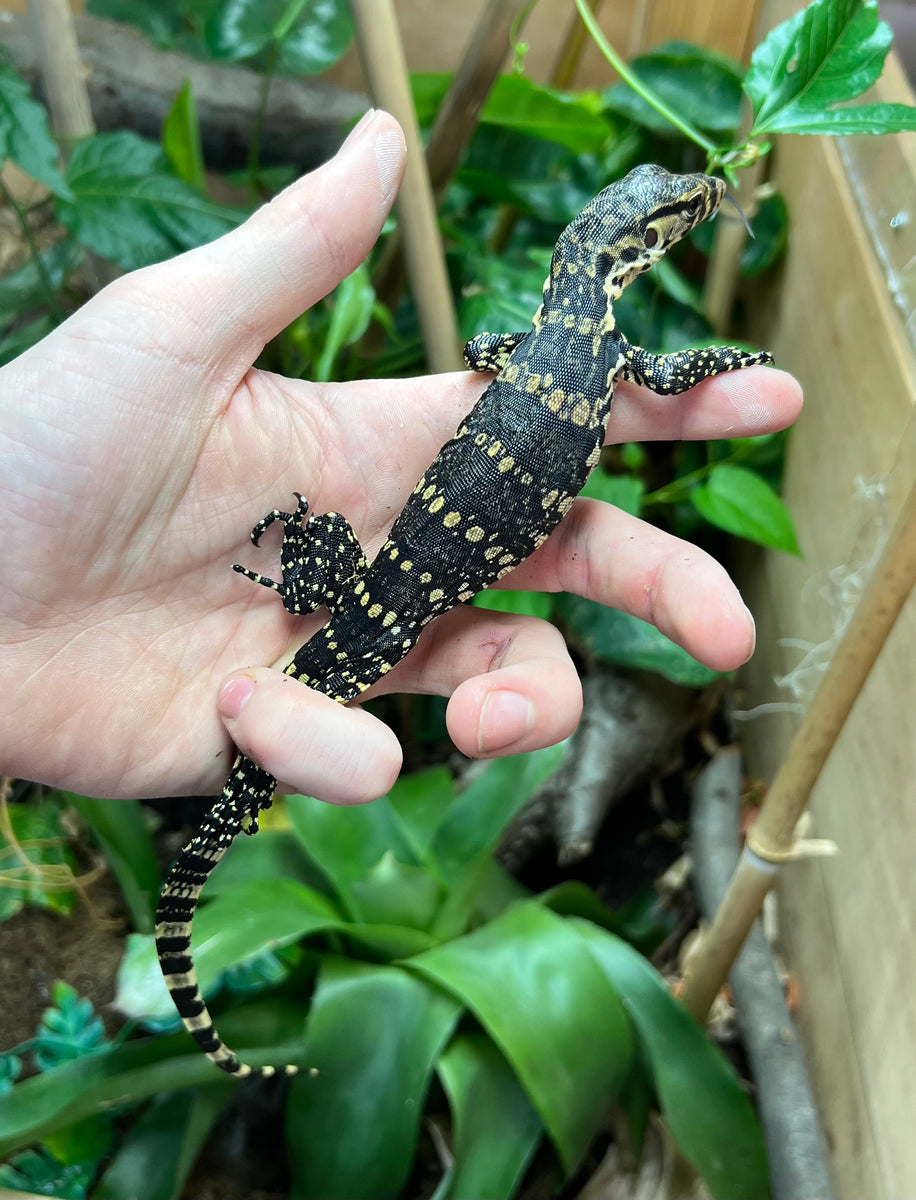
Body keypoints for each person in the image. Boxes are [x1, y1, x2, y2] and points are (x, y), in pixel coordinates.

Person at [0, 111, 802, 805]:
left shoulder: (550, 337)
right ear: (637, 245)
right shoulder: (602, 348)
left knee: (321, 644)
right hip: (411, 585)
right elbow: (661, 379)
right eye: (671, 209)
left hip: (402, 579)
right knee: (316, 686)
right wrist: (719, 359)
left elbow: (481, 345)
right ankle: (185, 908)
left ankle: (291, 578)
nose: (691, 205)